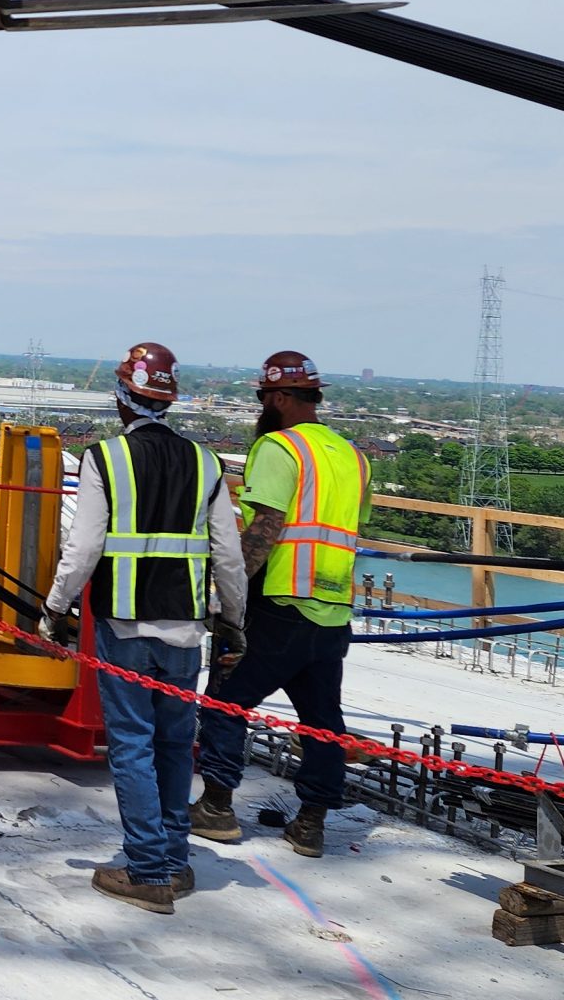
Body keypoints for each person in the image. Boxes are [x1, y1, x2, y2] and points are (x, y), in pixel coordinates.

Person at [41, 342, 246, 915]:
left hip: (125, 629)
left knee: (131, 745)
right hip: (187, 631)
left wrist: (55, 608)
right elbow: (228, 558)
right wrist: (234, 622)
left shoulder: (104, 458)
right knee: (176, 744)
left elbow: (82, 548)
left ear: (123, 399)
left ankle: (149, 871)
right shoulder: (207, 464)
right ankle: (174, 862)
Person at [190, 350, 367, 859]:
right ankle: (311, 824)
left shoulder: (279, 447)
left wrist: (224, 597)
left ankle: (218, 808)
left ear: (282, 397)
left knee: (225, 699)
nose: (261, 406)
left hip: (280, 602)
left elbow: (263, 531)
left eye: (264, 397)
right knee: (322, 720)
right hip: (332, 611)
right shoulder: (352, 456)